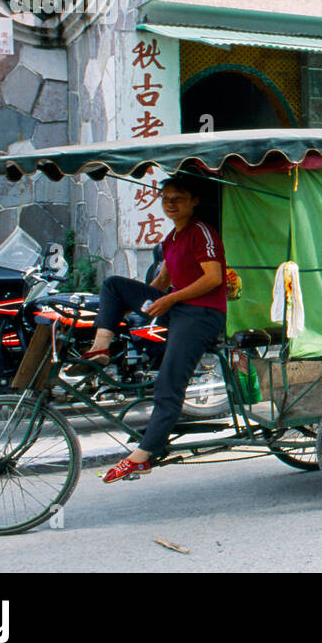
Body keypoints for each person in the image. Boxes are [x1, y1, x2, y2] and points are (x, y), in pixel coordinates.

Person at [82, 175, 227, 483]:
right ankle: (100, 348)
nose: (170, 203)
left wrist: (170, 299)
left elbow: (214, 278)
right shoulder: (171, 238)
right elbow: (160, 282)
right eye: (166, 198)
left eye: (178, 198)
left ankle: (143, 456)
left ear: (194, 201)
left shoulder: (202, 232)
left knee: (168, 384)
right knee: (113, 285)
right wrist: (128, 308)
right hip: (177, 309)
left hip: (201, 315)